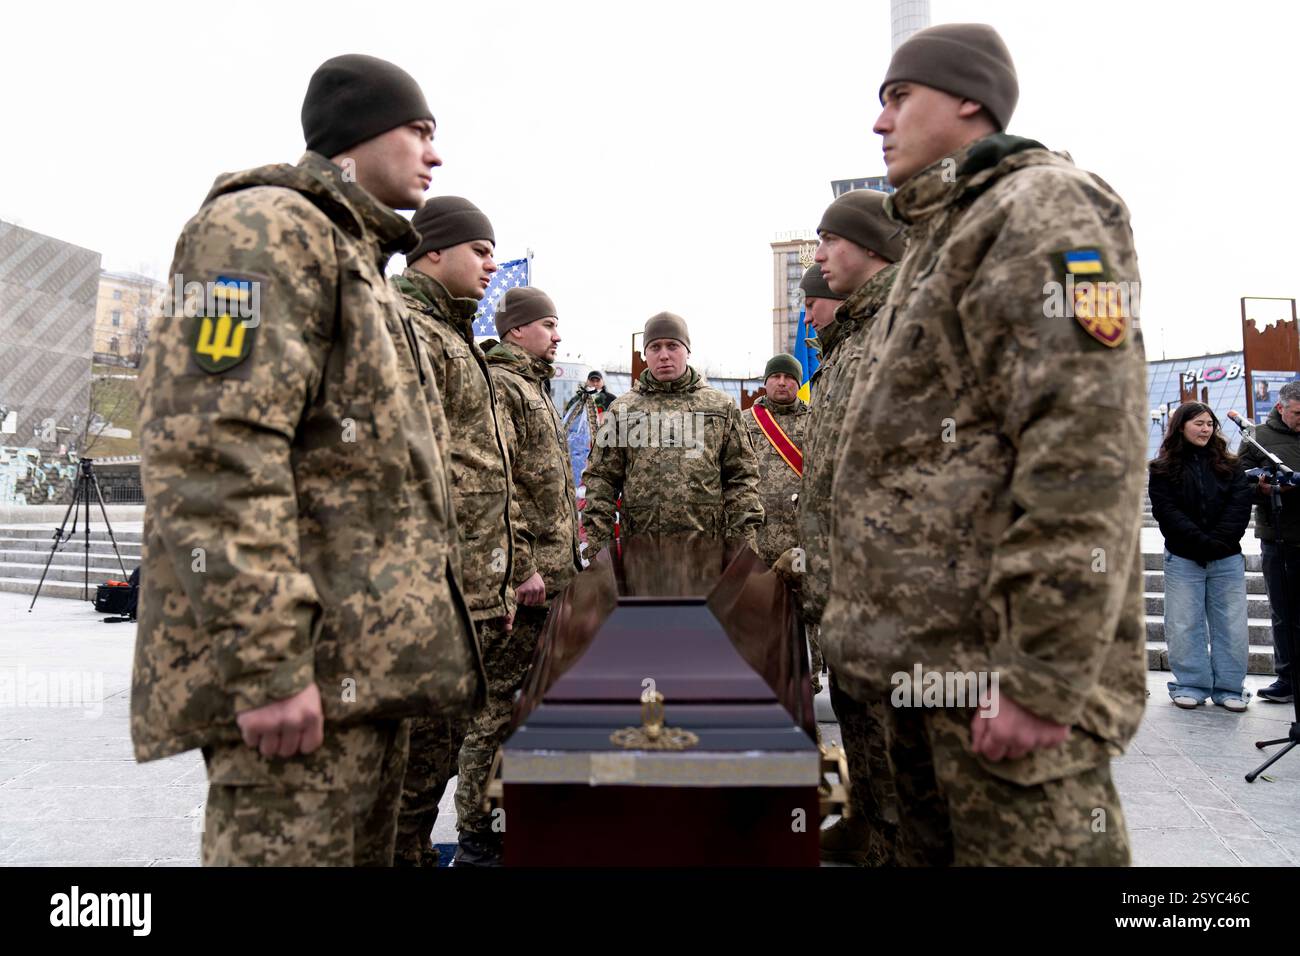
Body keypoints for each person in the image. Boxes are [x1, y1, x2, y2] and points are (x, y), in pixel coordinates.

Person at [131, 54, 483, 866]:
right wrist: (266, 667)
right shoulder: (258, 229)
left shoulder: (355, 258)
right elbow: (212, 451)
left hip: (359, 686)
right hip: (303, 692)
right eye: (419, 131)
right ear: (358, 137)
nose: (435, 154)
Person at [821, 22, 1149, 866]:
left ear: (969, 100)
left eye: (899, 97)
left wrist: (1043, 677)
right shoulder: (941, 235)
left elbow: (1085, 449)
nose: (879, 122)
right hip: (927, 678)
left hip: (997, 687)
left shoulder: (1040, 207)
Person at [392, 196, 524, 867]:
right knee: (407, 782)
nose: (492, 263)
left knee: (429, 773)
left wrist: (493, 591)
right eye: (480, 249)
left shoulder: (455, 338)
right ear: (433, 251)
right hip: (427, 609)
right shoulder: (408, 329)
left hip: (468, 602)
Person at [785, 199, 906, 865]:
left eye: (830, 241)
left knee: (897, 754)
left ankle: (892, 843)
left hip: (886, 597)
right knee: (861, 731)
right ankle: (870, 832)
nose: (819, 257)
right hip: (843, 592)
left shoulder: (902, 329)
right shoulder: (847, 349)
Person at [461, 287, 584, 866]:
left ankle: (517, 815)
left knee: (531, 702)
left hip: (554, 577)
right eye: (547, 325)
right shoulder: (503, 387)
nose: (557, 335)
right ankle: (476, 830)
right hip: (526, 583)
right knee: (496, 706)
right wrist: (525, 567)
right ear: (516, 330)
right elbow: (498, 485)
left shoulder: (533, 385)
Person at [582, 312, 763, 553]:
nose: (664, 355)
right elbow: (601, 480)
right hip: (641, 553)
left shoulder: (721, 407)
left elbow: (742, 480)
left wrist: (742, 549)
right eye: (655, 347)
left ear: (687, 350)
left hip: (706, 553)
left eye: (673, 346)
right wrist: (599, 551)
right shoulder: (623, 410)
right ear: (645, 354)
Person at [1149, 403, 1253, 710]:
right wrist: (1198, 542)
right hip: (1183, 558)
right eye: (1198, 423)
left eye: (1210, 423)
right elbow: (1166, 511)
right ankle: (1191, 684)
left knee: (1231, 625)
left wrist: (1218, 542)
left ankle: (1230, 688)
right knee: (1183, 624)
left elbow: (1239, 506)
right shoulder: (1162, 468)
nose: (1206, 429)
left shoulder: (1231, 465)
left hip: (1226, 557)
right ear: (1181, 427)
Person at [1238, 380, 1300, 703]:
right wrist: (1262, 490)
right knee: (1282, 611)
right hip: (1279, 538)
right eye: (1298, 413)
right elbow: (1238, 482)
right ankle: (1287, 678)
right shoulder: (1258, 438)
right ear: (1280, 408)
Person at [743, 353, 809, 567]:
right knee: (759, 597)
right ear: (765, 382)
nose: (782, 382)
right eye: (775, 376)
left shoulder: (816, 419)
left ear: (799, 382)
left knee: (799, 597)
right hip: (756, 536)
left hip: (800, 538)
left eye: (789, 377)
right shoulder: (743, 421)